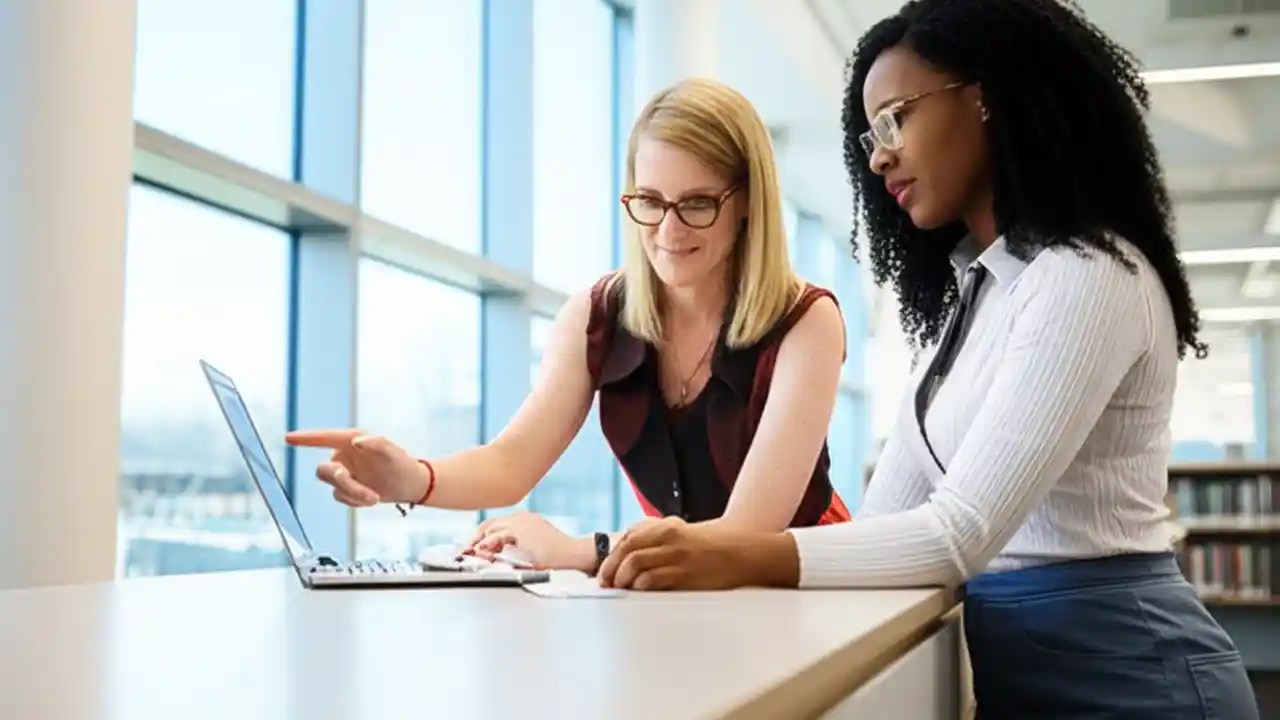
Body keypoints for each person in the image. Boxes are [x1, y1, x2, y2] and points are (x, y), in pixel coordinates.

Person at [596, 1, 1260, 717]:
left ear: (986, 98)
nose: (878, 154)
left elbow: (958, 534)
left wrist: (733, 554)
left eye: (897, 117)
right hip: (1024, 672)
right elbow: (889, 521)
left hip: (1136, 680)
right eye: (869, 132)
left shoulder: (1089, 275)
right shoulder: (979, 296)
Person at [286, 77, 851, 575]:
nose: (668, 230)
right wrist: (410, 478)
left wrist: (585, 550)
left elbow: (748, 534)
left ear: (749, 200)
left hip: (799, 586)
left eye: (697, 203)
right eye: (650, 201)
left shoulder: (807, 323)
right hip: (670, 583)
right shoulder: (597, 314)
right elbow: (512, 463)